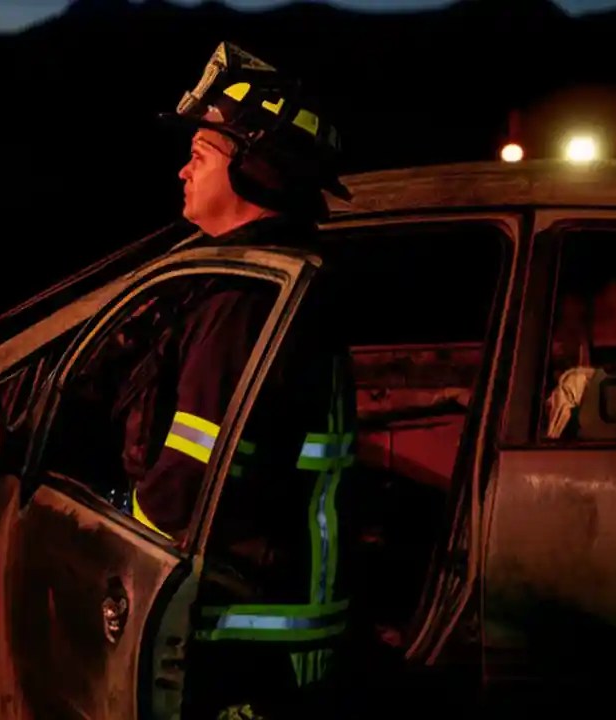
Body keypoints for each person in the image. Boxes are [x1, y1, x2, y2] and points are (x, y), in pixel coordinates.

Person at [116, 41, 361, 718]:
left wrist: (116, 536)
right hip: (252, 612)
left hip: (249, 630)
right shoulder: (249, 281)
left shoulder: (246, 299)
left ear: (255, 167)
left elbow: (187, 481)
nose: (181, 169)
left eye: (200, 153)